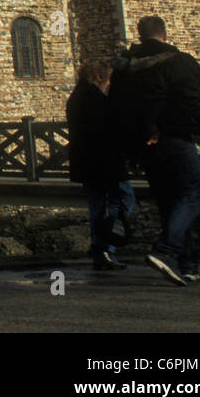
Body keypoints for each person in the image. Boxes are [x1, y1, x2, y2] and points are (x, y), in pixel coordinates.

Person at [109, 16, 200, 286]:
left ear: (140, 35)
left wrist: (130, 148)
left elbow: (117, 111)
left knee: (171, 201)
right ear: (164, 34)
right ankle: (165, 250)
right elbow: (194, 100)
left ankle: (188, 264)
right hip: (174, 138)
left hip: (143, 145)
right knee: (191, 193)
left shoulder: (123, 70)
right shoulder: (179, 62)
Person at [67, 59, 133, 270]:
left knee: (98, 204)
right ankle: (105, 246)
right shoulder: (97, 99)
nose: (109, 84)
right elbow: (110, 131)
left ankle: (100, 249)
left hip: (86, 162)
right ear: (98, 78)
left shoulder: (76, 97)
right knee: (122, 200)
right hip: (105, 162)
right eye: (107, 80)